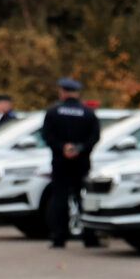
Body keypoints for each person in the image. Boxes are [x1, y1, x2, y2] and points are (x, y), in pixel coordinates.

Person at [40, 77, 101, 249]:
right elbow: (95, 136)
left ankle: (59, 238)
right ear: (77, 93)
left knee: (59, 200)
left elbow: (46, 135)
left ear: (62, 92)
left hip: (60, 162)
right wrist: (79, 148)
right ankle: (89, 237)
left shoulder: (53, 112)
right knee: (84, 199)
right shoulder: (88, 112)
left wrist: (62, 148)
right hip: (81, 163)